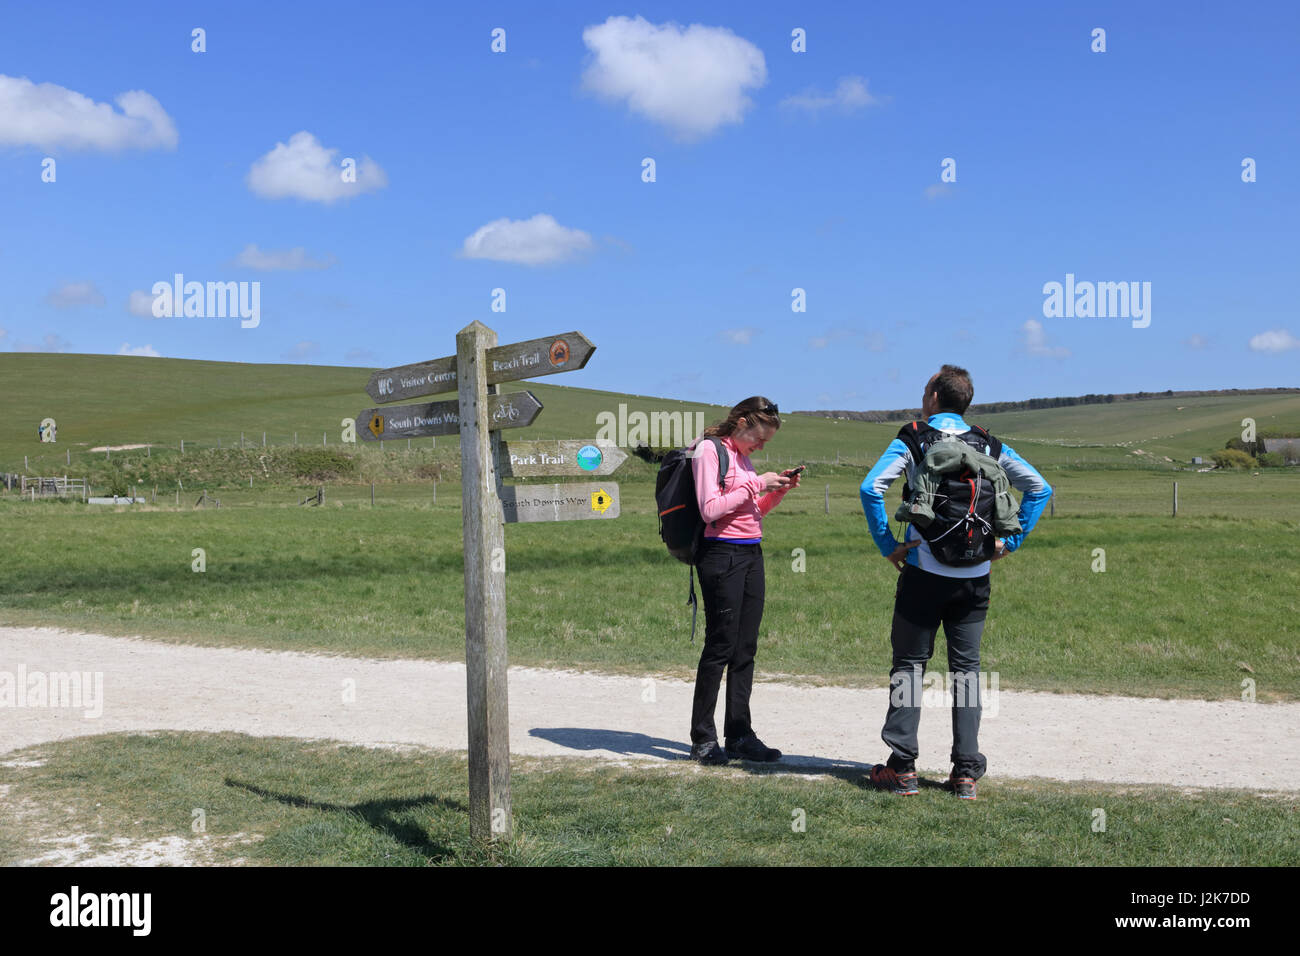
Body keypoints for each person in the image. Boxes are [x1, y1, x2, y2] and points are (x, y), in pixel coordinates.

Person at [860, 365, 1052, 799]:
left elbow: (872, 488)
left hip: (923, 574)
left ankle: (903, 769)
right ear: (966, 402)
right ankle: (965, 774)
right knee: (967, 672)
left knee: (909, 667)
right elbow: (1040, 488)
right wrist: (1011, 542)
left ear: (932, 396)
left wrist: (888, 543)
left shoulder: (913, 438)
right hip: (976, 577)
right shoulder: (988, 443)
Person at [688, 396, 800, 765]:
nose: (761, 446)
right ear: (741, 424)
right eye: (759, 439)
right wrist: (756, 483)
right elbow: (709, 510)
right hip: (721, 555)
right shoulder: (709, 450)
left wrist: (776, 490)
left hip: (751, 552)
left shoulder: (743, 458)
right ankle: (703, 739)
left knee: (745, 649)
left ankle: (739, 735)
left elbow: (751, 515)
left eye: (766, 443)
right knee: (720, 647)